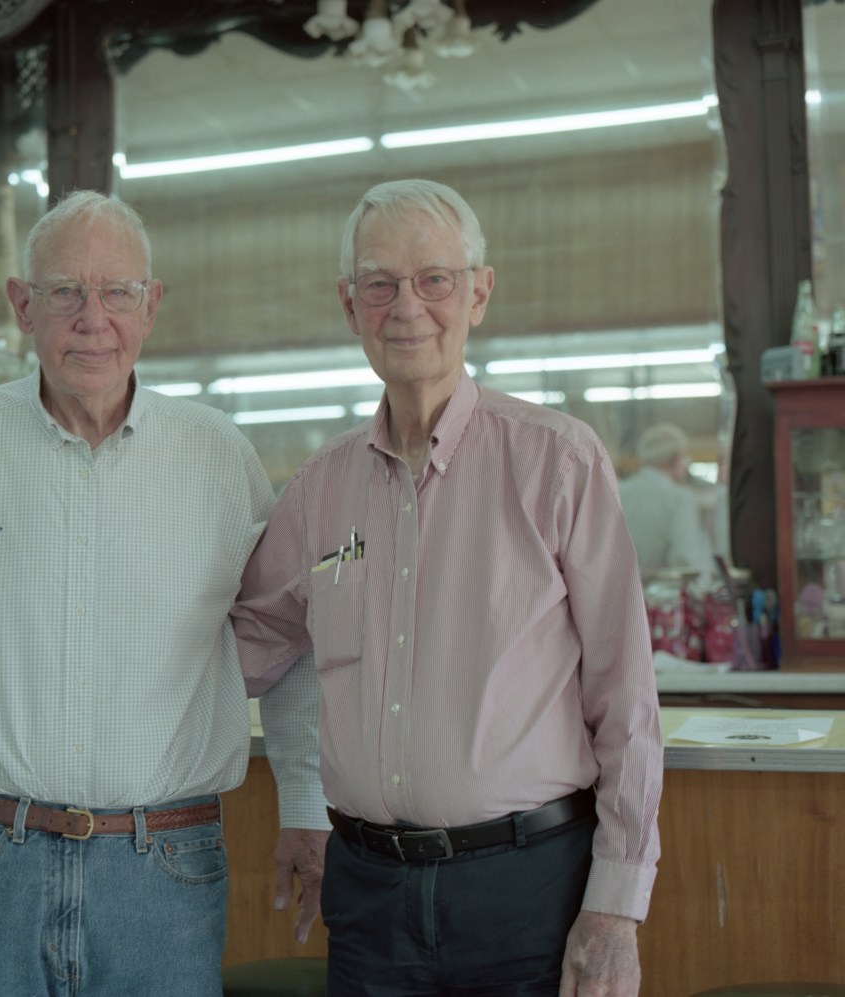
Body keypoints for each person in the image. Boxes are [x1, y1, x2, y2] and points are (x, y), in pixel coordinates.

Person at [0, 190, 327, 996]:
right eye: (65, 292)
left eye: (117, 292)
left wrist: (306, 798)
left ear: (152, 306)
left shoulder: (219, 459)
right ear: (23, 306)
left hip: (163, 869)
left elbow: (293, 644)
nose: (91, 317)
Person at [232, 179, 663, 996]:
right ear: (348, 303)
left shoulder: (558, 461)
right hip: (368, 892)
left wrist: (615, 905)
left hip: (528, 888)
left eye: (434, 278)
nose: (407, 307)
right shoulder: (318, 490)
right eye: (379, 283)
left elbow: (626, 700)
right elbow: (242, 650)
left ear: (479, 292)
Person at [617, 422, 718, 583]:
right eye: (685, 457)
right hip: (663, 599)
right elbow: (685, 560)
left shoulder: (619, 492)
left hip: (623, 592)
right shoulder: (678, 498)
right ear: (675, 459)